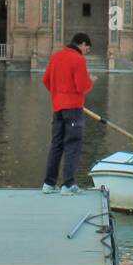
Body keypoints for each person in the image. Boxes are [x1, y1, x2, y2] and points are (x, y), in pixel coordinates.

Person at [41, 33, 94, 195]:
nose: (86, 52)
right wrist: (91, 81)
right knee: (72, 144)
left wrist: (58, 94)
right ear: (82, 44)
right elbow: (82, 86)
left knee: (56, 144)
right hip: (73, 109)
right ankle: (68, 185)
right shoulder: (78, 59)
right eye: (87, 48)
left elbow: (46, 80)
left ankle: (49, 184)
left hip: (57, 107)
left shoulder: (55, 56)